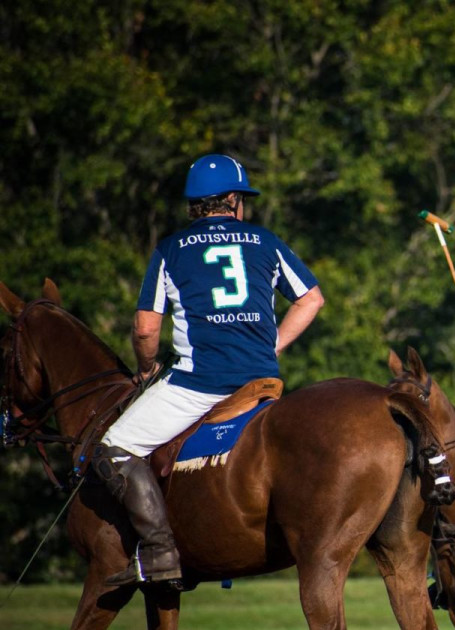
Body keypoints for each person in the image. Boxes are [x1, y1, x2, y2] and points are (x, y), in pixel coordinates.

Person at [93, 154, 324, 586]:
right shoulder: (265, 241)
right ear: (234, 200)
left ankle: (159, 553)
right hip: (262, 382)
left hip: (199, 385)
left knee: (114, 446)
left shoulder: (170, 250)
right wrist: (272, 344)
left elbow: (145, 329)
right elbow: (311, 298)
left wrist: (147, 368)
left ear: (193, 204)